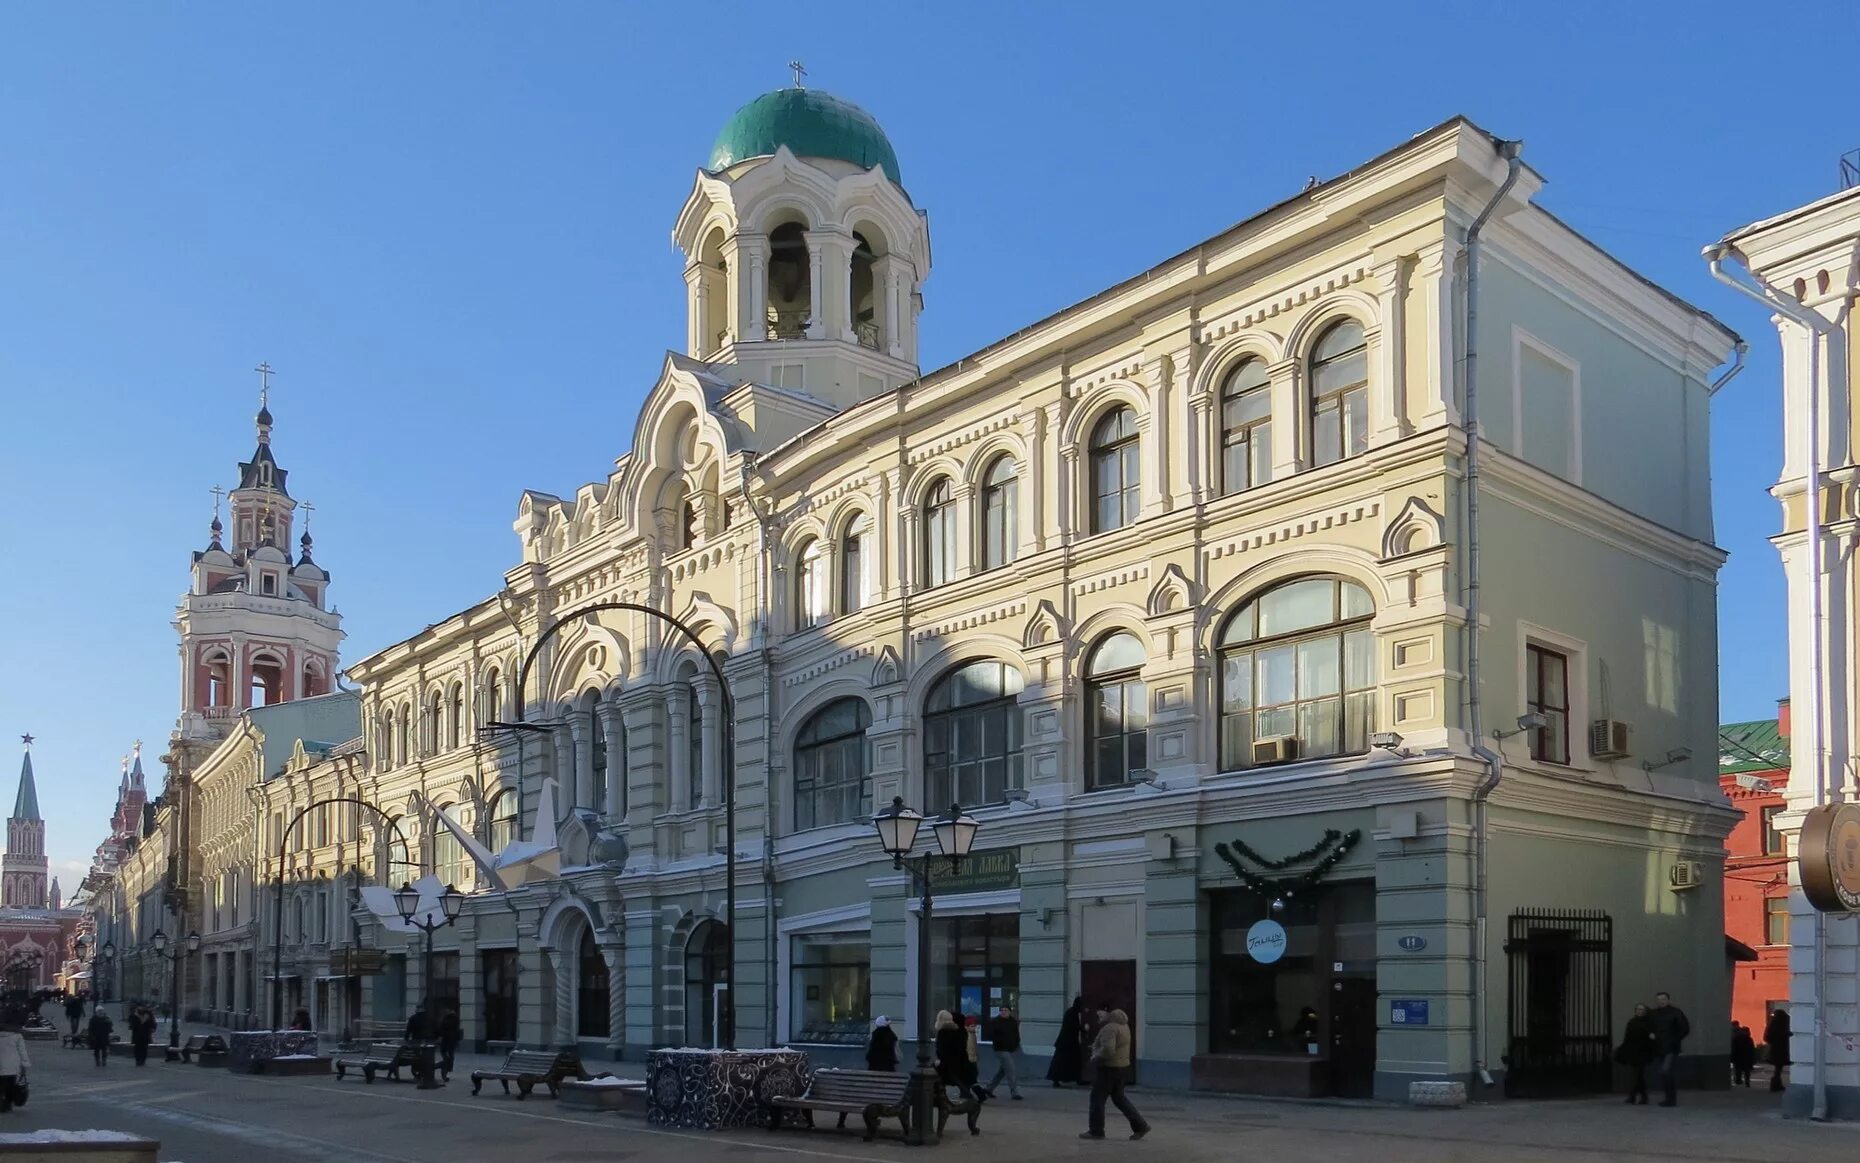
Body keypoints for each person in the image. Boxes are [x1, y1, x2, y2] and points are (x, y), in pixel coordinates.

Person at [1080, 1003, 1148, 1141]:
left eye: (1100, 1014)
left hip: (1109, 1068)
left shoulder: (1109, 1028)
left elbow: (1108, 1049)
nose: (1099, 1017)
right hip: (1122, 1067)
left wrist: (1096, 1055)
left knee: (1097, 1099)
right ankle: (1141, 1126)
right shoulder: (1124, 1026)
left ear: (1108, 1015)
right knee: (1119, 1099)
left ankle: (1096, 1131)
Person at [1647, 991, 1690, 1107]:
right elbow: (1648, 1026)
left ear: (1668, 1000)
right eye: (1659, 999)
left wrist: (1674, 1039)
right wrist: (1651, 1033)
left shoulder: (1676, 1012)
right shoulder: (1653, 1013)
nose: (1661, 1001)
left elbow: (1684, 1028)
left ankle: (1671, 1099)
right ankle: (1669, 1098)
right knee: (1667, 1073)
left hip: (1671, 1047)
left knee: (1666, 1071)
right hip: (1660, 1047)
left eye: (1663, 999)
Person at [1615, 1003, 1658, 1104]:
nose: (1640, 1011)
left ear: (1645, 1011)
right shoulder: (1632, 1022)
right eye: (1638, 1009)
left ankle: (1634, 1096)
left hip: (1644, 1052)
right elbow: (1627, 1038)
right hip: (1633, 1052)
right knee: (1638, 1076)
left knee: (1638, 1075)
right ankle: (1641, 1096)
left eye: (1642, 1009)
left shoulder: (1649, 1023)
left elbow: (1653, 1036)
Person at [985, 1005, 1023, 1099]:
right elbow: (989, 1035)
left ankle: (989, 1088)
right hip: (1000, 1049)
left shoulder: (1013, 1022)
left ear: (1009, 1012)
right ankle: (1014, 1093)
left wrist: (1016, 1044)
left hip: (1011, 1049)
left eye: (1005, 1010)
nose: (1003, 1012)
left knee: (1002, 1071)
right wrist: (997, 1039)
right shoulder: (995, 1022)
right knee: (1011, 1070)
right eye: (1001, 1010)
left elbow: (1016, 1035)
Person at [1047, 997, 1086, 1087]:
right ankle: (1062, 1079)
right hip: (1067, 1042)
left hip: (1066, 1042)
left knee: (1064, 1062)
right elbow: (1075, 1026)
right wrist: (1085, 1030)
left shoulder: (1071, 1012)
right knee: (1065, 1061)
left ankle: (1069, 1079)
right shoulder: (1072, 1013)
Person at [0, 1017, 27, 1112]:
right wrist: (25, 1064)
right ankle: (7, 1103)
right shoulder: (17, 1036)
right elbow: (22, 1051)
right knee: (10, 1085)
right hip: (12, 1065)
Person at [1765, 1008, 1792, 1093]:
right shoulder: (1785, 1023)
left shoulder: (1772, 1023)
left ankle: (1776, 1084)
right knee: (1778, 1068)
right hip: (1783, 1049)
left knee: (1778, 1067)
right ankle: (1776, 1084)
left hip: (1775, 1049)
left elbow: (1767, 1037)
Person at [437, 1008, 461, 1079]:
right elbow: (457, 1030)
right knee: (451, 1054)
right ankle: (448, 1067)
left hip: (445, 1039)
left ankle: (446, 1064)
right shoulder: (456, 1019)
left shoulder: (444, 1019)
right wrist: (457, 1040)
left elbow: (440, 1029)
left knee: (444, 1053)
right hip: (452, 1040)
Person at [1730, 1023, 1756, 1087]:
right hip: (1746, 1057)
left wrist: (1732, 1057)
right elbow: (1752, 1049)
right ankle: (1747, 1082)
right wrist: (1753, 1058)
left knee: (1738, 1070)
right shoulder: (1749, 1039)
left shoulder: (1736, 1039)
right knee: (1747, 1071)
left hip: (1738, 1057)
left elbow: (1733, 1048)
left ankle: (1738, 1080)